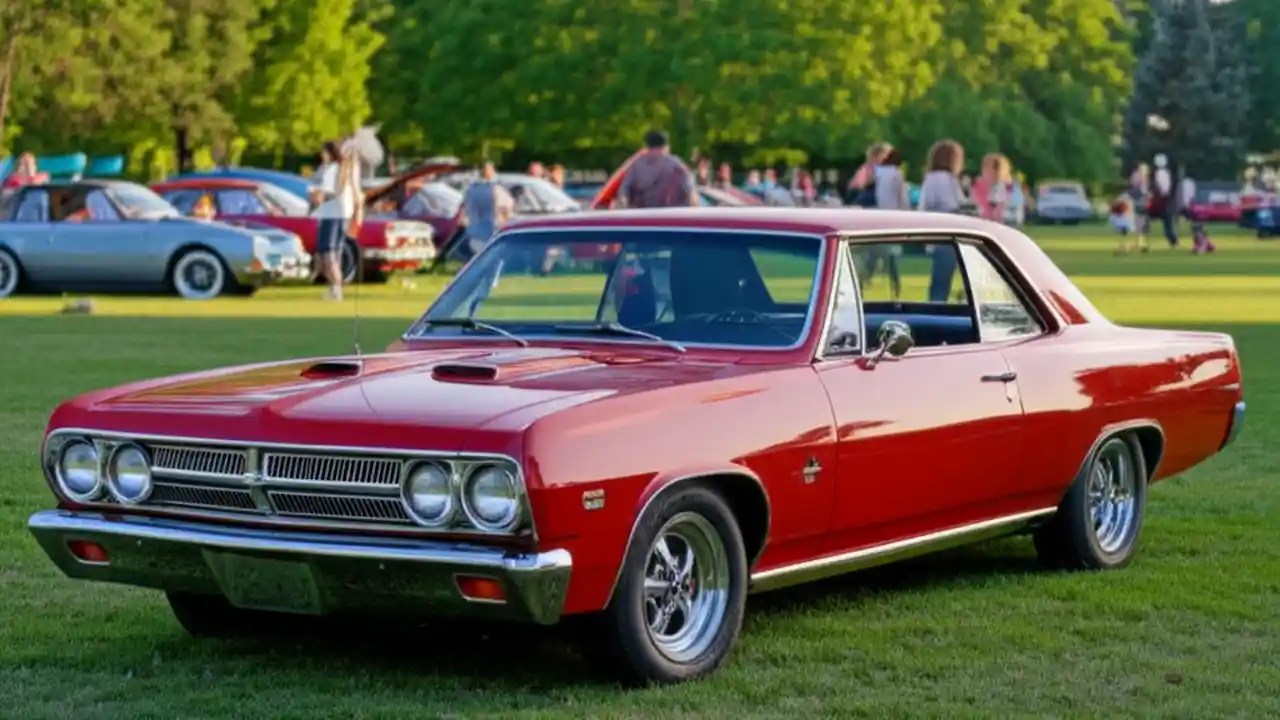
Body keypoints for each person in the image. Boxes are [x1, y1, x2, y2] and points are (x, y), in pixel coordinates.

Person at [312, 138, 364, 300]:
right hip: (342, 213)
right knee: (335, 253)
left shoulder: (331, 168)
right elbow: (355, 192)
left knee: (327, 254)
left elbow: (321, 194)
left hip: (331, 214)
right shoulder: (344, 167)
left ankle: (336, 289)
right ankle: (334, 288)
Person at [918, 139, 967, 302]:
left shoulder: (931, 178)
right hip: (947, 233)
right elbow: (952, 204)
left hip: (936, 234)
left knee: (940, 278)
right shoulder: (945, 179)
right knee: (943, 278)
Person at [617, 129, 697, 208]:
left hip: (668, 210)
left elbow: (689, 186)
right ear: (666, 147)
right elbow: (625, 189)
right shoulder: (675, 164)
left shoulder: (637, 165)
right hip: (654, 211)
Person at [461, 161, 515, 256]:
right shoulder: (496, 190)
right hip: (491, 234)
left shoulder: (470, 190)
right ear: (490, 172)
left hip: (474, 235)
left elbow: (465, 210)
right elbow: (507, 208)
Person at [1117, 164, 1150, 254]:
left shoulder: (1143, 184)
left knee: (1140, 232)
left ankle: (1138, 245)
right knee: (1139, 231)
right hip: (1138, 210)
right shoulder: (1141, 185)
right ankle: (1128, 247)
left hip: (1140, 209)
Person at [846, 141, 891, 207]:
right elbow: (862, 184)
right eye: (886, 155)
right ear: (876, 156)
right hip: (858, 193)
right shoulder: (869, 166)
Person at [1149, 153, 1178, 247]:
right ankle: (1171, 238)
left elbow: (1155, 186)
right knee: (1168, 220)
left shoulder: (1156, 174)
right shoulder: (1167, 173)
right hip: (1164, 200)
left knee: (1167, 220)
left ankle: (1171, 238)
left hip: (1161, 200)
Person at [971, 153, 1011, 222]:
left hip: (1001, 220)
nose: (984, 170)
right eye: (984, 167)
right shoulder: (978, 184)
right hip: (982, 219)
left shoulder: (1007, 186)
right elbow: (975, 201)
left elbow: (1004, 204)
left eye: (987, 167)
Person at [309, 141, 341, 212]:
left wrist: (322, 194)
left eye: (326, 153)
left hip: (328, 197)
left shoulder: (336, 167)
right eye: (323, 152)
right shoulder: (322, 167)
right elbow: (315, 182)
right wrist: (313, 192)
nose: (323, 155)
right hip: (316, 197)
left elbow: (331, 186)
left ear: (332, 154)